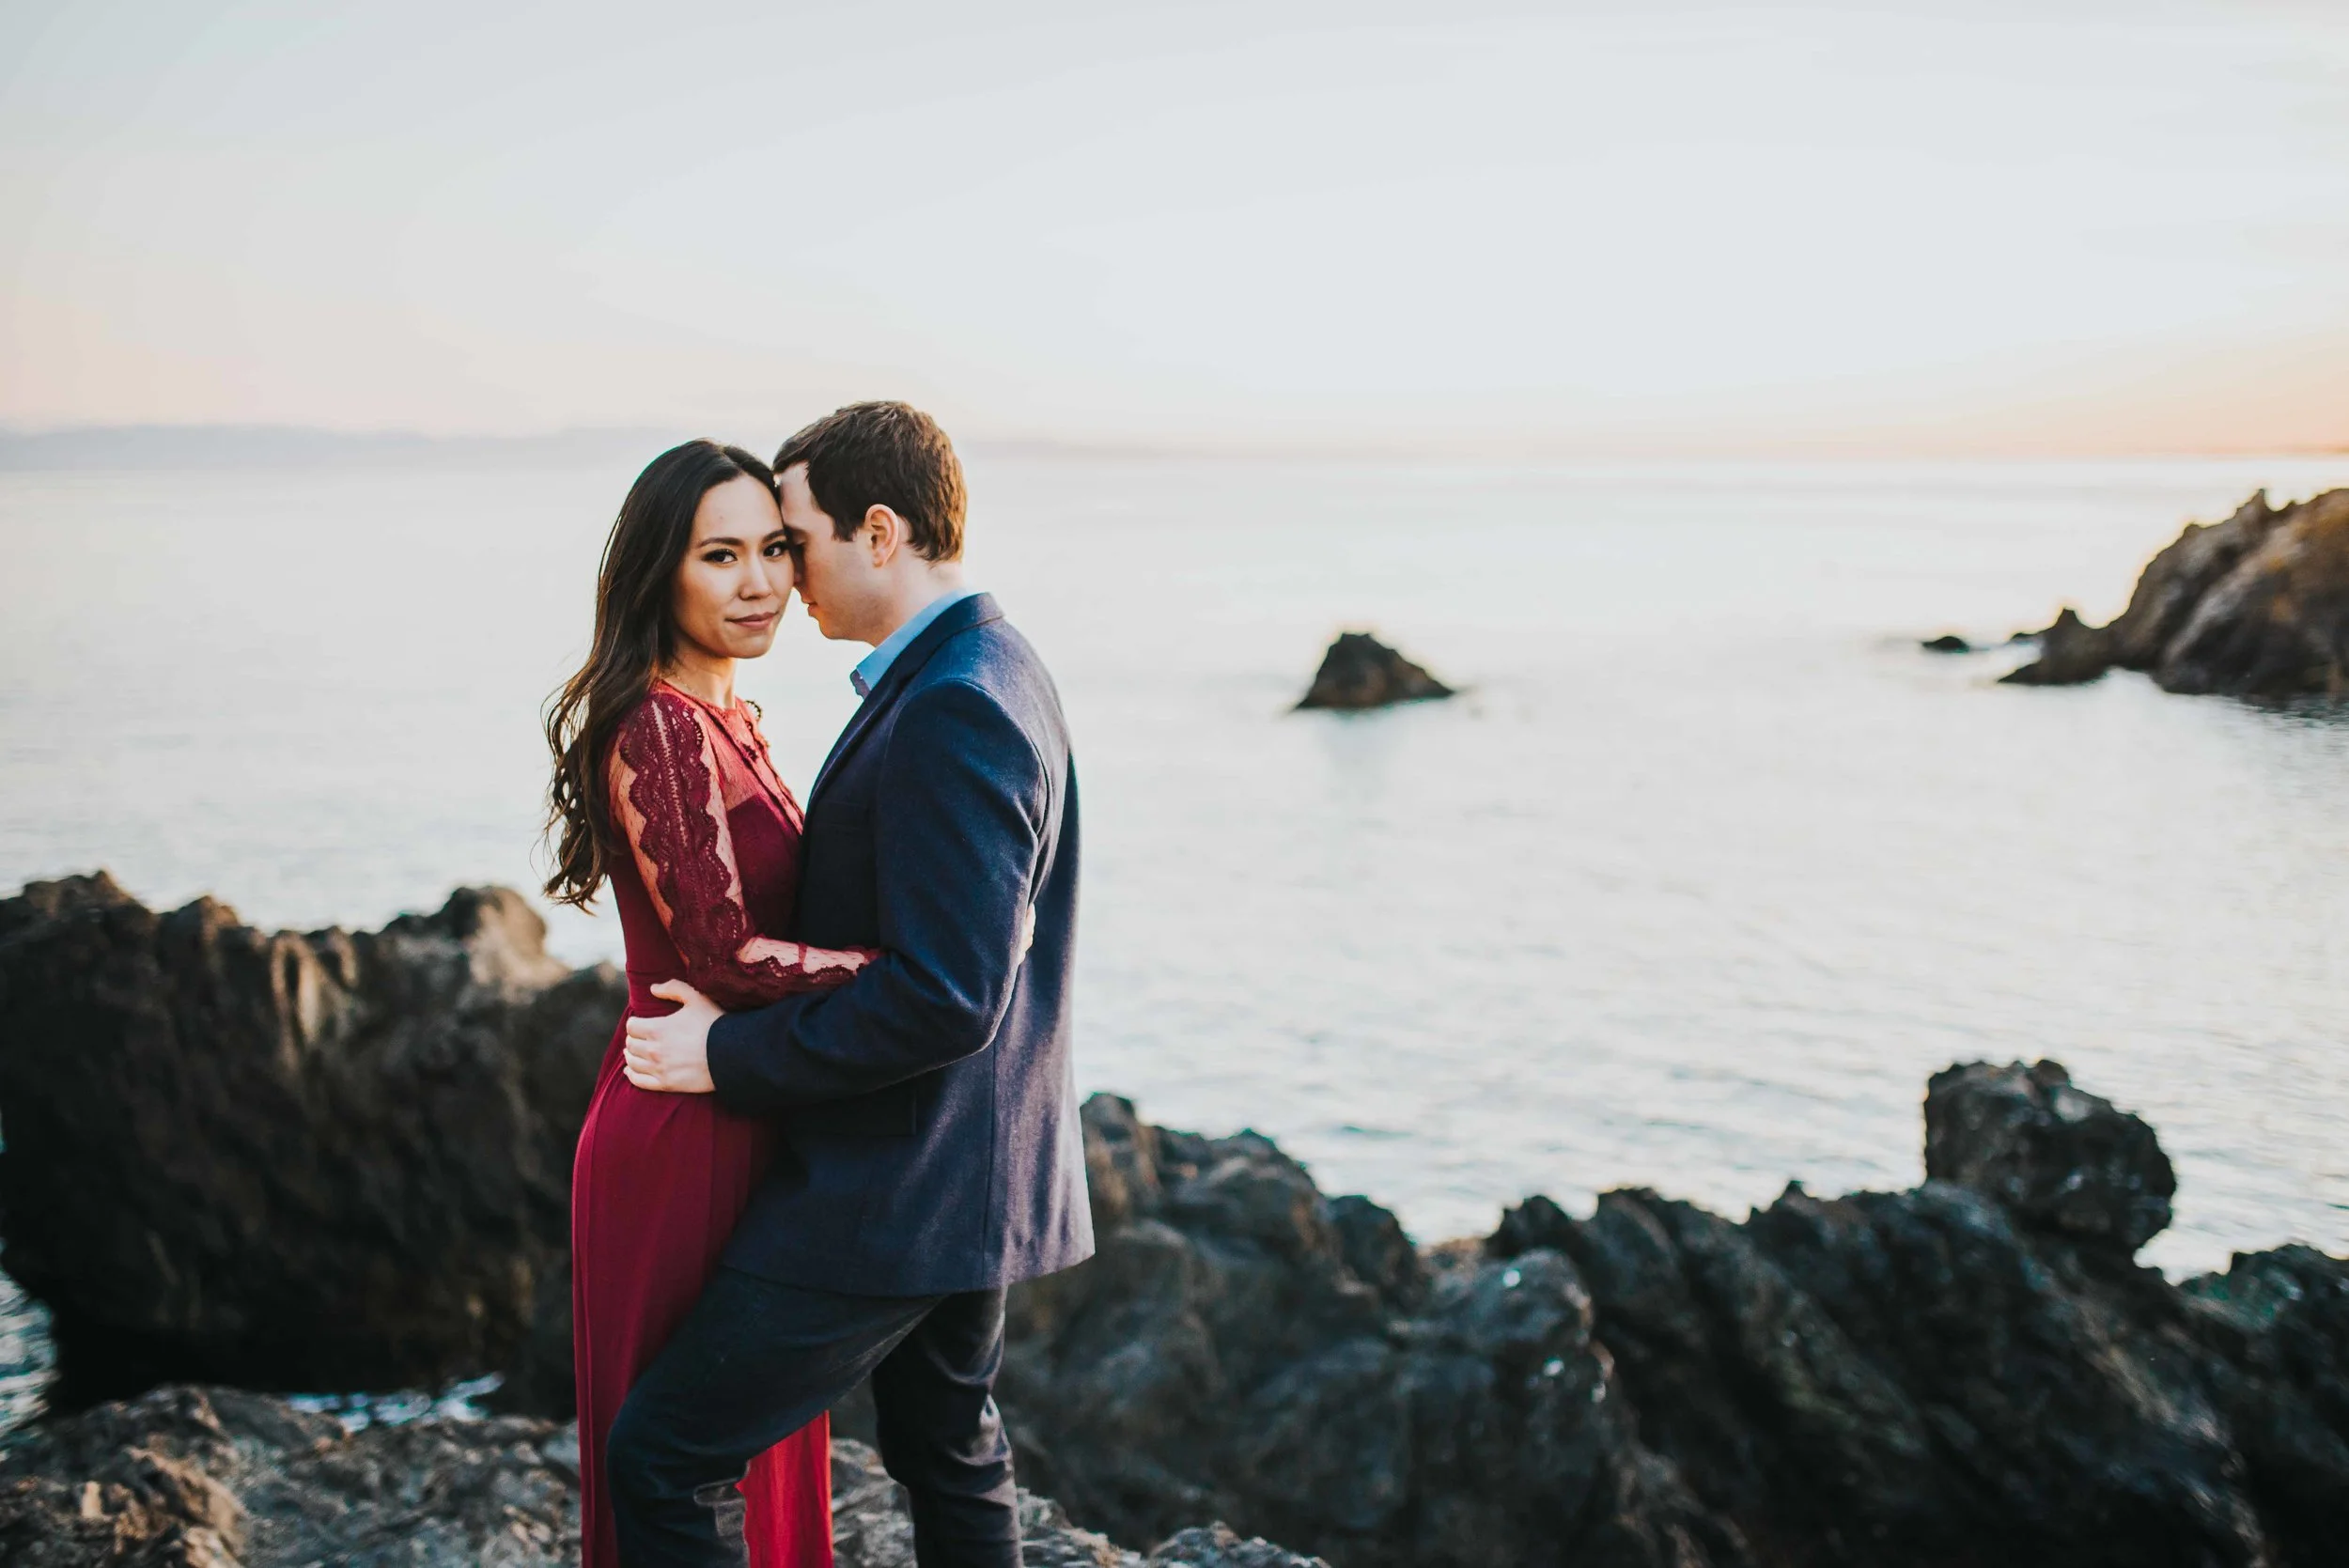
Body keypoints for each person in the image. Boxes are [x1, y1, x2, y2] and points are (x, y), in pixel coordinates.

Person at [611, 400, 1092, 1568]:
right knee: (947, 1445)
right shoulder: (995, 663)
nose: (783, 576)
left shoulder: (953, 705)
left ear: (879, 533)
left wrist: (725, 1058)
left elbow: (945, 993)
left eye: (795, 540)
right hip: (975, 1159)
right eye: (748, 550)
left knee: (663, 1456)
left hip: (897, 1182)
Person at [544, 439, 879, 1568]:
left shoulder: (725, 713)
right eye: (720, 555)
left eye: (775, 550)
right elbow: (729, 957)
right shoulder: (657, 723)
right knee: (688, 1468)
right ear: (661, 572)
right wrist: (902, 978)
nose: (759, 582)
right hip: (680, 1127)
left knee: (748, 1446)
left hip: (735, 1100)